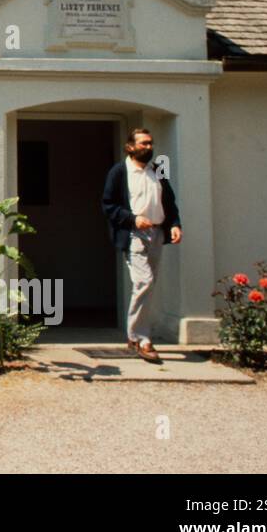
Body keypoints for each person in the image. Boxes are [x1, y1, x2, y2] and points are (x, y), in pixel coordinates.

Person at [101, 127, 182, 363]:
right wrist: (133, 218)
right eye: (143, 143)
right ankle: (140, 337)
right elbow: (108, 206)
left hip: (157, 233)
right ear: (130, 147)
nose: (148, 147)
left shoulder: (158, 171)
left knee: (148, 285)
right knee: (144, 282)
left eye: (150, 143)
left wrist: (175, 224)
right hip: (134, 234)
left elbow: (169, 201)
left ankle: (135, 336)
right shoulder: (119, 172)